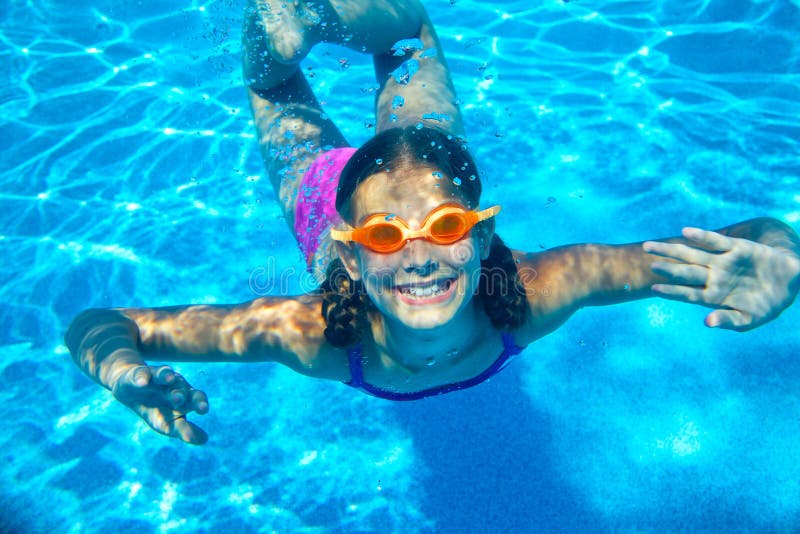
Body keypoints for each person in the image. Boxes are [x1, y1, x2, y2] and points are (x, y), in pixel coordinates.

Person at [65, 0, 800, 445]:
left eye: (446, 227)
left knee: (402, 52)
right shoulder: (311, 335)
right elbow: (106, 323)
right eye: (386, 239)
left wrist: (779, 253)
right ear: (351, 260)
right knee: (306, 63)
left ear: (481, 234)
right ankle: (296, 18)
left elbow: (755, 237)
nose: (418, 254)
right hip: (327, 193)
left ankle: (327, 21)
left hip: (413, 168)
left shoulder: (543, 287)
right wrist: (120, 368)